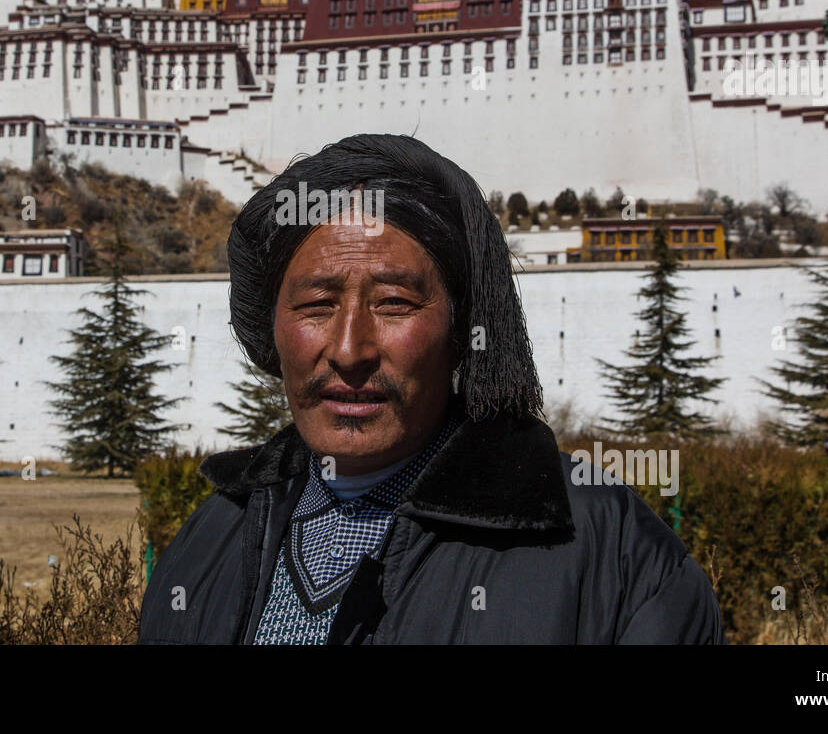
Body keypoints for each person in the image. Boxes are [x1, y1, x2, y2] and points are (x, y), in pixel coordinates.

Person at [138, 133, 725, 644]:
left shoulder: (603, 547)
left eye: (395, 304)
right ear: (271, 325)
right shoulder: (216, 533)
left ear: (463, 326)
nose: (348, 350)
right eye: (316, 304)